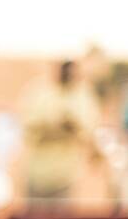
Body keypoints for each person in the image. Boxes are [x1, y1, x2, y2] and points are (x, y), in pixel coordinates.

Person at [20, 60, 100, 206]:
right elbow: (28, 128)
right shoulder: (39, 91)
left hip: (65, 176)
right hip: (36, 174)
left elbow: (88, 131)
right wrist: (52, 127)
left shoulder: (82, 95)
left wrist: (71, 126)